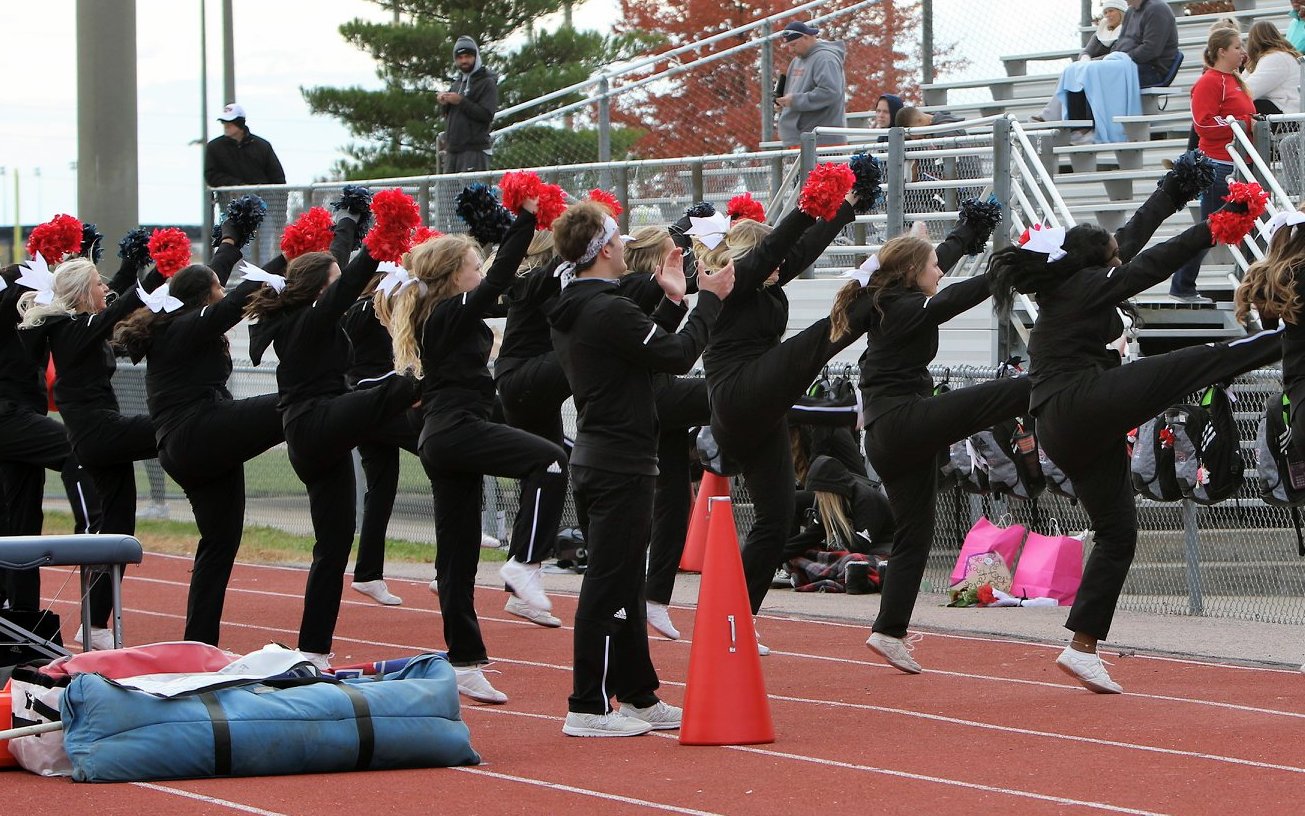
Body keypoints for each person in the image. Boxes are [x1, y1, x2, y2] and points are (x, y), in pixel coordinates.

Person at [987, 183, 1282, 694]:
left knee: (1118, 533)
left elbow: (1132, 238)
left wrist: (1173, 192)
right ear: (1098, 262)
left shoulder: (1075, 279)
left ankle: (1082, 648)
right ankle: (1288, 338)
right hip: (1080, 403)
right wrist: (1213, 227)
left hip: (1065, 427)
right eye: (1113, 256)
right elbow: (1148, 265)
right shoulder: (1085, 285)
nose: (1120, 257)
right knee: (1198, 361)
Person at [548, 200, 735, 737]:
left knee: (626, 583)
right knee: (609, 586)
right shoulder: (605, 308)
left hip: (604, 457)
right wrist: (709, 300)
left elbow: (640, 353)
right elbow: (675, 356)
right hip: (619, 463)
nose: (623, 246)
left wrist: (672, 299)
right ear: (604, 248)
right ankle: (587, 706)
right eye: (617, 239)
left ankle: (636, 694)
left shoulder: (581, 304)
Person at [384, 199, 568, 704]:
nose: (481, 273)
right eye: (473, 267)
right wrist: (527, 217)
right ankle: (525, 561)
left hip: (447, 436)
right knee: (551, 460)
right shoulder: (445, 311)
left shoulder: (445, 314)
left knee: (458, 555)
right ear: (454, 277)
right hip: (454, 430)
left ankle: (464, 662)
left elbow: (510, 288)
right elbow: (501, 275)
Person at [825, 208, 1014, 673]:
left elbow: (938, 261)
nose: (940, 271)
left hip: (890, 435)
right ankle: (1063, 389)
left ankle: (888, 631)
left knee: (914, 537)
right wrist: (1006, 270)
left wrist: (967, 232)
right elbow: (950, 300)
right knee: (1014, 390)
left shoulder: (898, 293)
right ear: (912, 272)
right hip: (903, 421)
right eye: (932, 267)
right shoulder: (903, 308)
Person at [244, 209, 420, 669]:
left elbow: (337, 263)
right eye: (336, 281)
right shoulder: (307, 320)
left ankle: (313, 650)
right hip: (312, 423)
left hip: (324, 440)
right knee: (393, 389)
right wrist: (381, 238)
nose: (344, 285)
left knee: (334, 546)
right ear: (322, 290)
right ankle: (430, 380)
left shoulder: (316, 313)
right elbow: (348, 278)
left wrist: (347, 221)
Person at [697, 184, 864, 644]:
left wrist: (845, 208)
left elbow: (801, 249)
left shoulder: (769, 279)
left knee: (776, 519)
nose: (780, 266)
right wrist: (807, 207)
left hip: (763, 408)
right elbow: (775, 249)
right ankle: (869, 310)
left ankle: (734, 619)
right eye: (770, 258)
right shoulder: (734, 283)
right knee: (823, 334)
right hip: (737, 394)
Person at [113, 217, 285, 646]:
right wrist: (289, 256)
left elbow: (214, 278)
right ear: (204, 298)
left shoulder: (184, 317)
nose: (223, 290)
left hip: (192, 448)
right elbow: (233, 302)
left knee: (220, 544)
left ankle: (199, 645)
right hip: (197, 434)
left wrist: (229, 239)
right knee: (296, 404)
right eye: (217, 289)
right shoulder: (183, 327)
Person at [17, 249, 163, 649]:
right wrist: (158, 272)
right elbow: (120, 308)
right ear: (84, 292)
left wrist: (134, 263)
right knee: (177, 428)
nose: (106, 289)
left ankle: (94, 626)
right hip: (98, 433)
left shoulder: (82, 328)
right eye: (99, 284)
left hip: (101, 434)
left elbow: (115, 309)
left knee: (118, 527)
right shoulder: (71, 331)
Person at [617, 226, 712, 641]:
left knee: (674, 501)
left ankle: (655, 598)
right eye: (673, 255)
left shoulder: (655, 285)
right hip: (650, 397)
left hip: (660, 399)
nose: (682, 263)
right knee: (728, 392)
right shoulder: (631, 288)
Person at [1170, 27, 1256, 303]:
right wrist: (1243, 125)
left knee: (1244, 227)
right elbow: (1203, 124)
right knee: (1210, 228)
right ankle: (1182, 285)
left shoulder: (1234, 80)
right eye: (1237, 47)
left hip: (1238, 164)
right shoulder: (1209, 81)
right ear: (1221, 51)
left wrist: (1249, 123)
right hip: (1218, 164)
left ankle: (1251, 284)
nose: (1242, 52)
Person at [205, 103, 287, 263]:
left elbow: (278, 180)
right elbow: (211, 175)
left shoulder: (262, 146)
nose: (226, 126)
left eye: (230, 122)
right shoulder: (214, 147)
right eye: (224, 122)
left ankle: (261, 277)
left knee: (263, 251)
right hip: (231, 211)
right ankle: (242, 277)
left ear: (240, 123)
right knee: (240, 251)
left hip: (264, 209)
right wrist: (237, 185)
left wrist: (280, 214)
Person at [776, 21, 847, 148]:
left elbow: (830, 92)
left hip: (822, 140)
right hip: (800, 138)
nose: (790, 50)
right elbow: (793, 95)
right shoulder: (797, 61)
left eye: (793, 45)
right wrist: (785, 103)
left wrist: (795, 101)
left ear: (806, 37)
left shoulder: (825, 58)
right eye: (788, 46)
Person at [439, 37, 498, 174]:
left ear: (476, 57)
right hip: (452, 152)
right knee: (447, 189)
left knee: (472, 189)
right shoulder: (457, 83)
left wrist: (461, 101)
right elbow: (449, 115)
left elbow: (486, 115)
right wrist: (445, 103)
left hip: (474, 151)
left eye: (468, 56)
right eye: (460, 57)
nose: (464, 61)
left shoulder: (487, 82)